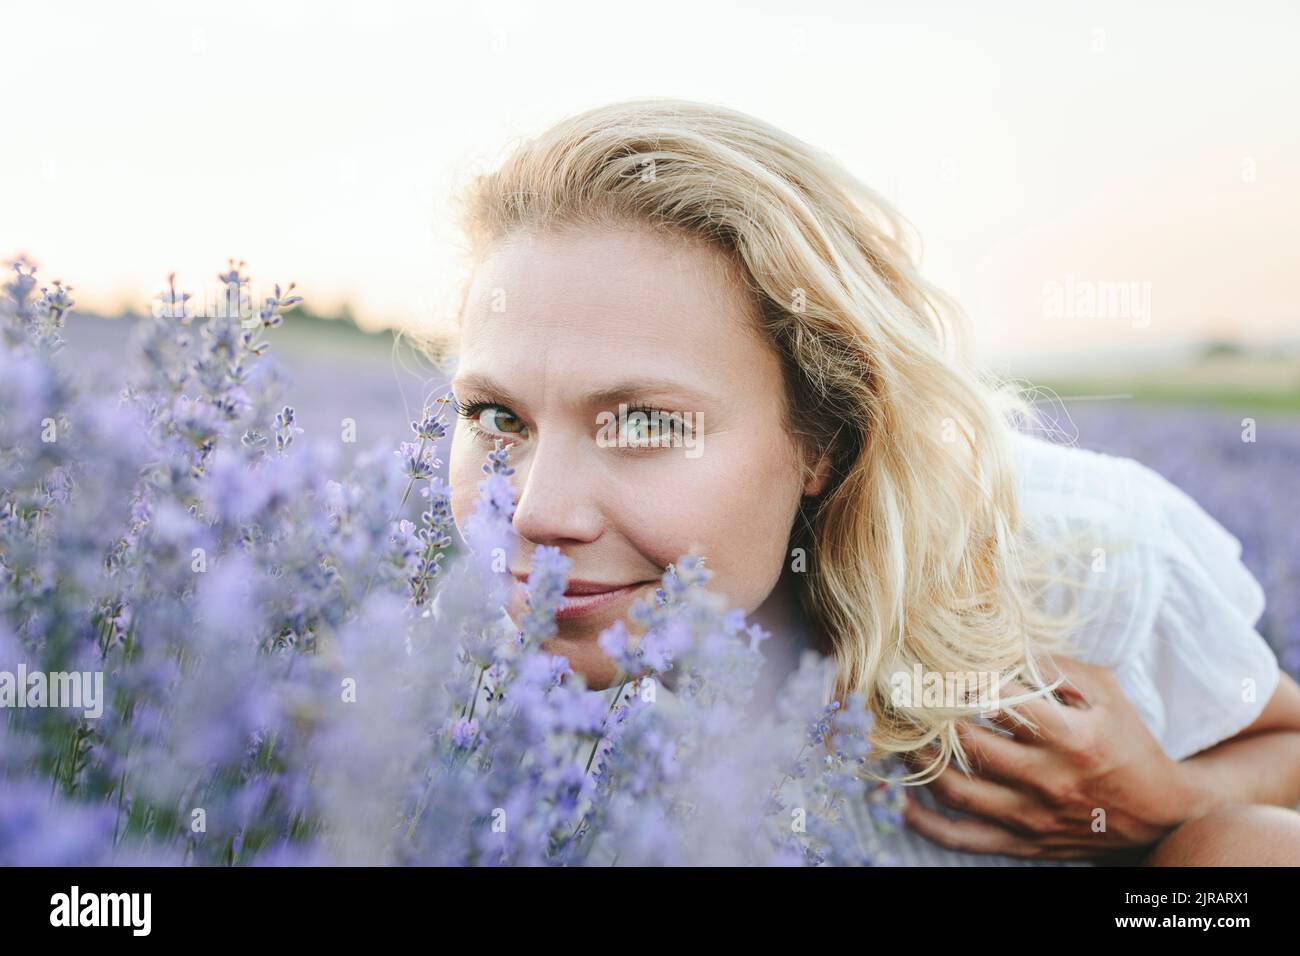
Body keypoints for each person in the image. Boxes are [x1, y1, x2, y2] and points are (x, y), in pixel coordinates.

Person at [424, 98, 1300, 865]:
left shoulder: (1070, 560)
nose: (536, 515)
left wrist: (1171, 804)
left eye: (647, 423)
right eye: (498, 419)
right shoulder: (429, 645)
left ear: (826, 440)